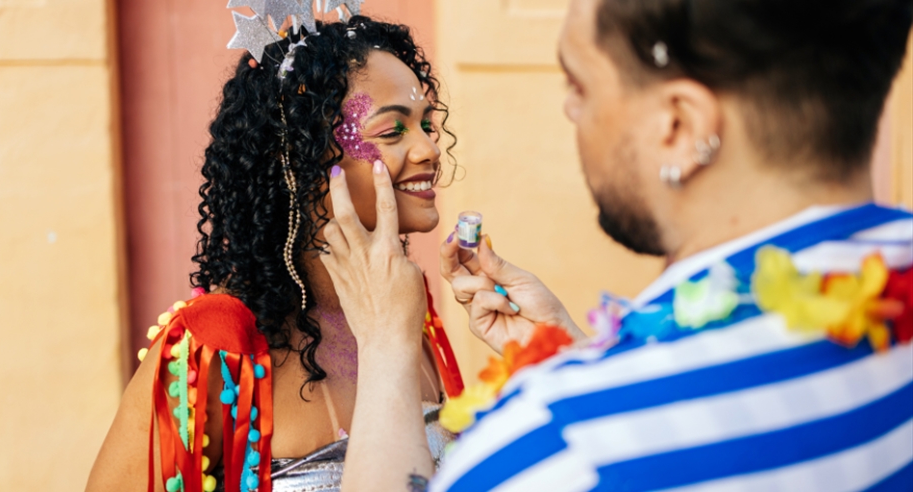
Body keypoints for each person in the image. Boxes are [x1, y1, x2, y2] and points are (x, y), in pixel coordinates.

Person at [320, 0, 913, 490]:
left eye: (579, 83)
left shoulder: (559, 451)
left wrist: (383, 348)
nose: (570, 109)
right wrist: (569, 352)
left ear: (677, 126)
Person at [86, 16, 465, 492]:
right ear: (301, 159)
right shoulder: (216, 342)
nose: (430, 147)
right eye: (393, 131)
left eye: (428, 124)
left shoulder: (409, 303)